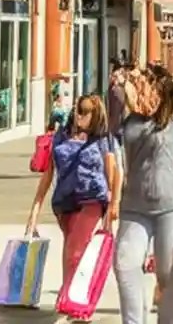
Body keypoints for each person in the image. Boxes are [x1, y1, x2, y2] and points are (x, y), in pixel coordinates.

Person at [113, 65, 173, 324]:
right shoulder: (130, 115)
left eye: (145, 85)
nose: (140, 90)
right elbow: (109, 133)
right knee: (124, 263)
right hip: (135, 205)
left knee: (167, 273)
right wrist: (120, 94)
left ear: (160, 89)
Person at [25, 94, 117, 299]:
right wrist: (35, 211)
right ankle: (75, 297)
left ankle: (69, 297)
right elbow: (49, 174)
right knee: (71, 250)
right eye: (77, 108)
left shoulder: (101, 138)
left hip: (92, 198)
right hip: (64, 202)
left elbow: (112, 170)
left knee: (76, 250)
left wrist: (112, 204)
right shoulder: (61, 135)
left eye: (84, 110)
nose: (78, 114)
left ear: (95, 115)